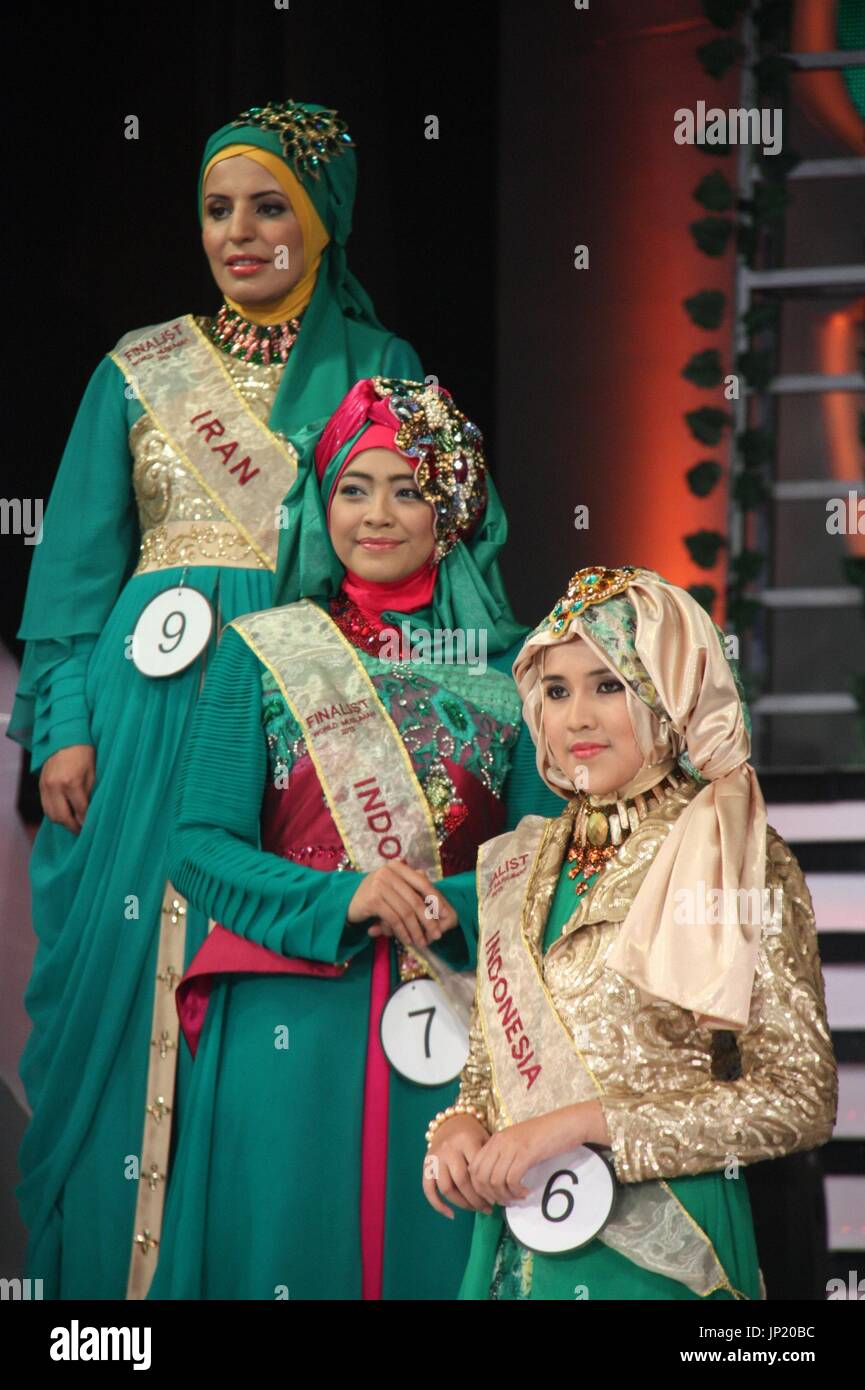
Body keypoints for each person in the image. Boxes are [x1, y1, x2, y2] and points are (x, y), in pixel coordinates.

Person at [7, 98, 422, 1300]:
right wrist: (64, 720)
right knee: (117, 993)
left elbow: (414, 553)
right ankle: (102, 1305)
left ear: (323, 219)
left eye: (269, 207)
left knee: (250, 1007)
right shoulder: (139, 368)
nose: (239, 233)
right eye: (216, 209)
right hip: (136, 727)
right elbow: (75, 569)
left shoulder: (377, 367)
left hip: (295, 721)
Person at [146, 376, 561, 1301]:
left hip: (463, 1018)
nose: (376, 515)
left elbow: (547, 853)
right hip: (291, 1011)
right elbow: (198, 842)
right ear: (322, 498)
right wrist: (342, 899)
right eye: (352, 486)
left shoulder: (523, 664)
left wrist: (437, 906)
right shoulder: (261, 650)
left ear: (452, 506)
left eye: (408, 488)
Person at [425, 564, 838, 1300]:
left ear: (668, 697)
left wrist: (585, 1123)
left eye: (608, 684)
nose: (576, 717)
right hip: (519, 1243)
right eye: (556, 691)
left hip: (670, 1247)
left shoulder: (733, 851)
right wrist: (458, 1126)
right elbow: (488, 1068)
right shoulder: (512, 864)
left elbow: (797, 1099)